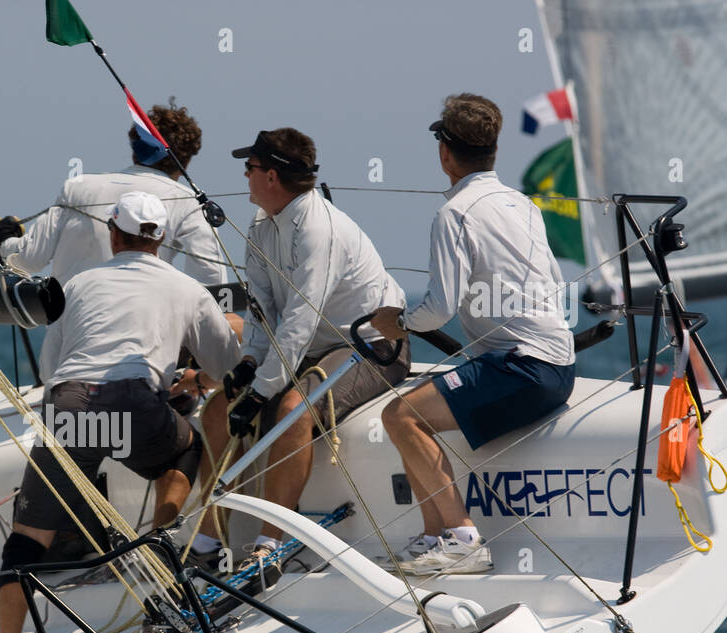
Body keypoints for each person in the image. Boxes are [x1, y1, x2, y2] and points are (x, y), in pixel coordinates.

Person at [0, 192, 240, 633]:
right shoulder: (186, 287)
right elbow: (225, 367)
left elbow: (51, 368)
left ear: (114, 234)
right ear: (162, 238)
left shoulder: (81, 283)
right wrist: (186, 382)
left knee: (27, 539)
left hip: (67, 405)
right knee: (184, 453)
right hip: (135, 403)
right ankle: (163, 557)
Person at [371, 93, 575, 574]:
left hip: (522, 368)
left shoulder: (455, 213)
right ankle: (429, 538)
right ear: (494, 151)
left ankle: (463, 539)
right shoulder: (523, 204)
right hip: (559, 365)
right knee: (411, 413)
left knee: (399, 416)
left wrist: (395, 323)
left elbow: (438, 310)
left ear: (444, 152)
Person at [190, 128, 409, 574]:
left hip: (369, 344)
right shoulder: (260, 226)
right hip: (310, 346)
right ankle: (206, 542)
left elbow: (300, 320)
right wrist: (249, 364)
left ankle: (271, 545)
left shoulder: (318, 230)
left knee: (292, 409)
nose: (244, 174)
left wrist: (263, 390)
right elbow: (262, 312)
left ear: (271, 177)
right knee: (217, 410)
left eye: (248, 167)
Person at [0, 101, 227, 286]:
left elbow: (28, 260)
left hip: (69, 336)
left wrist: (3, 240)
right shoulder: (190, 203)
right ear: (186, 159)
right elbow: (211, 279)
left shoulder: (77, 186)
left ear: (134, 146)